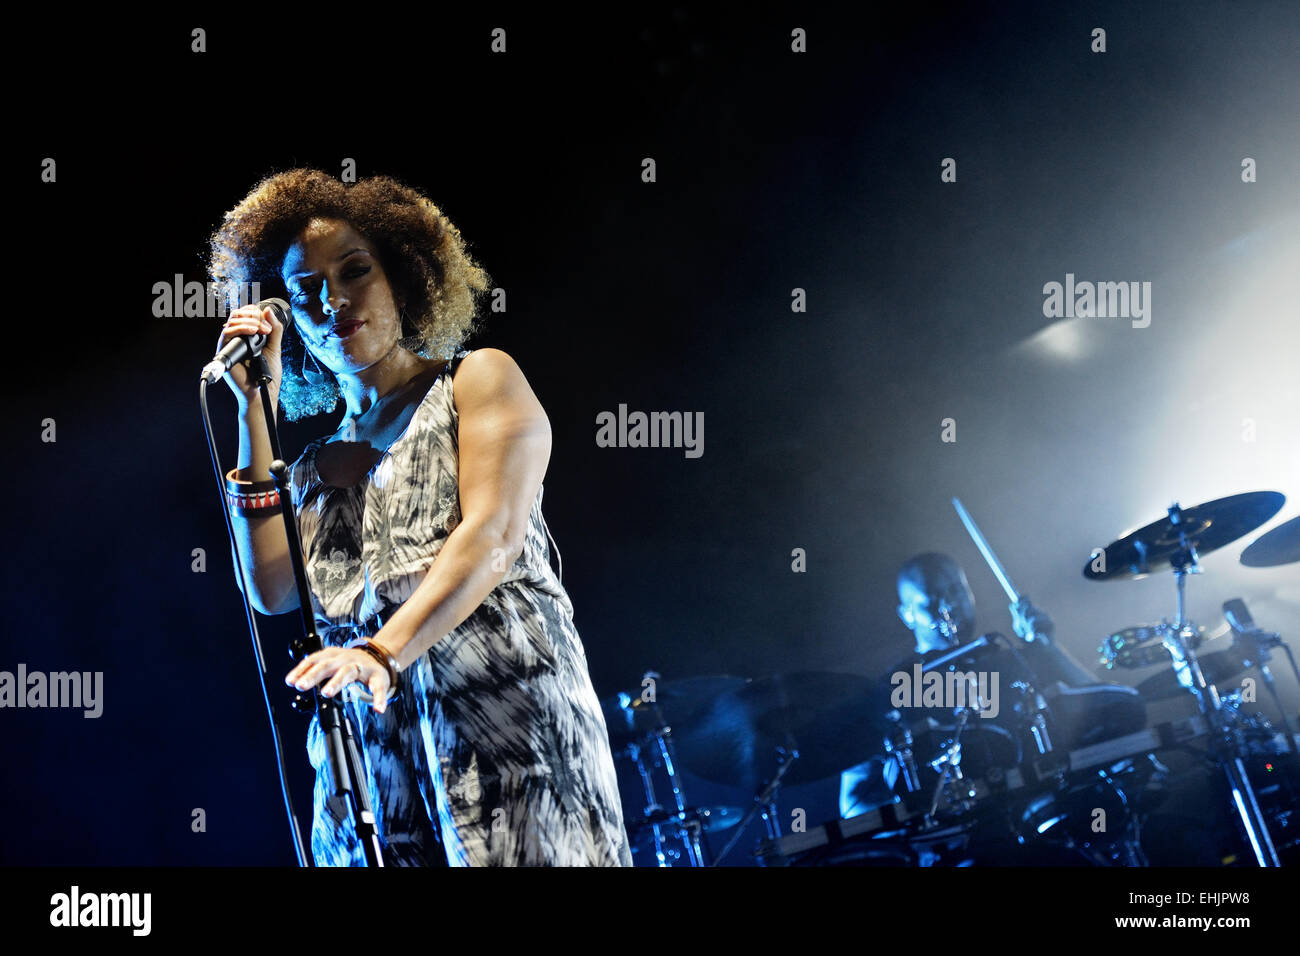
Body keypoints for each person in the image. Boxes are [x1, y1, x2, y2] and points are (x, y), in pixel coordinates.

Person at [209, 168, 633, 867]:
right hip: (374, 776)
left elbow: (492, 538)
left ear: (402, 277)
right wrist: (253, 405)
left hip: (507, 728)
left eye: (354, 271)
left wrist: (381, 651)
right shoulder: (312, 467)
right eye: (307, 292)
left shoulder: (478, 381)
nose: (334, 300)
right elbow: (273, 592)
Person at [840, 552, 1146, 823]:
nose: (949, 604)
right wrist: (914, 819)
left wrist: (1046, 647)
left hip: (1044, 821)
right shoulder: (896, 687)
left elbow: (1109, 709)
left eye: (956, 590)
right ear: (907, 614)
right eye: (932, 597)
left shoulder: (1008, 659)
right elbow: (853, 797)